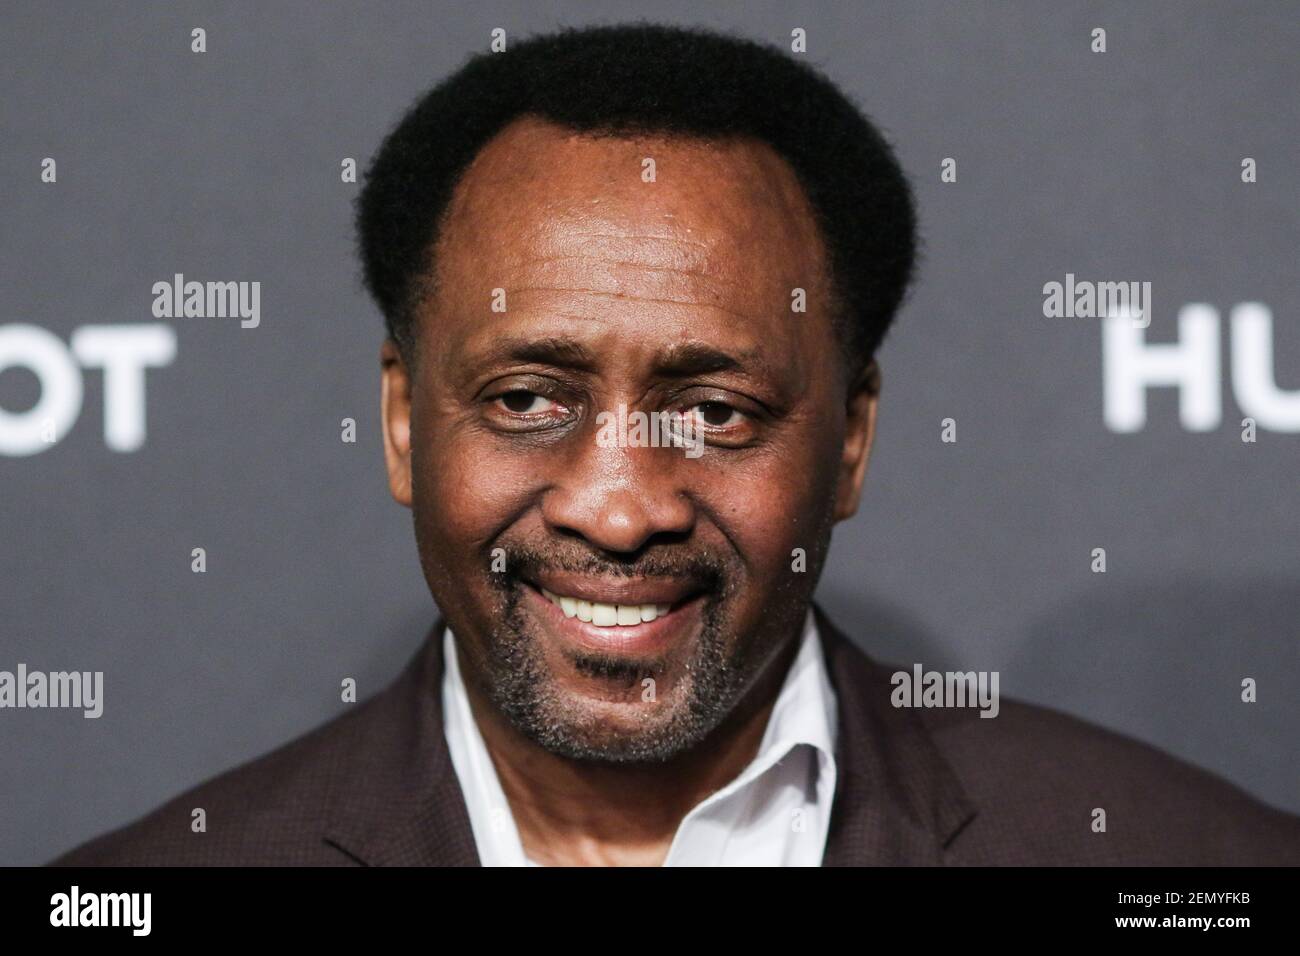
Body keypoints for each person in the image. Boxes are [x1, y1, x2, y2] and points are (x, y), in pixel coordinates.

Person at [53, 23, 1300, 867]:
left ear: (851, 439)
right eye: (528, 398)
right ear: (398, 420)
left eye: (714, 412)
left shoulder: (1179, 861)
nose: (616, 505)